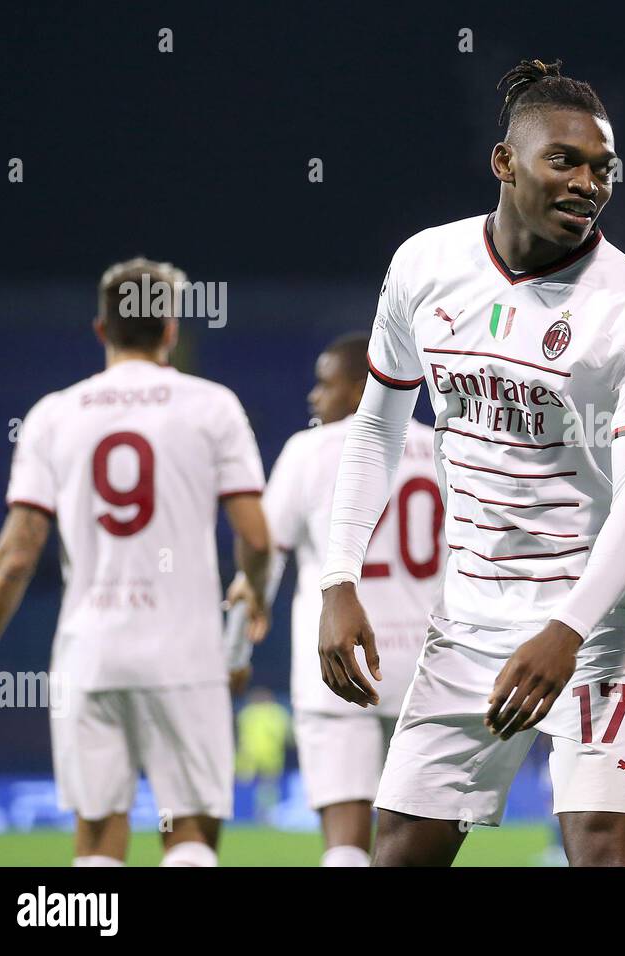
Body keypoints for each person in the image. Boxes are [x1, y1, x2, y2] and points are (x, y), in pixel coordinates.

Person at [317, 58, 625, 866]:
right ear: (505, 163)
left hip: (600, 632)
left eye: (604, 169)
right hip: (467, 623)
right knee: (401, 856)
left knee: (605, 853)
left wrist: (568, 628)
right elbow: (378, 429)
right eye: (567, 160)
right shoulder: (423, 266)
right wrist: (338, 576)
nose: (590, 183)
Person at [0, 257, 270, 866]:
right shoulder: (212, 407)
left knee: (98, 842)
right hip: (186, 654)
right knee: (188, 834)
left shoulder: (54, 414)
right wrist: (252, 598)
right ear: (170, 329)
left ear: (101, 330)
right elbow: (258, 540)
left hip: (91, 652)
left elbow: (16, 554)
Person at [228, 332, 444, 866]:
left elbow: (262, 545)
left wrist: (247, 606)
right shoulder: (444, 450)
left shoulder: (310, 450)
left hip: (338, 663)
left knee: (345, 839)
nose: (314, 398)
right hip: (428, 666)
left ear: (358, 389)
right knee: (415, 841)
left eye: (325, 385)